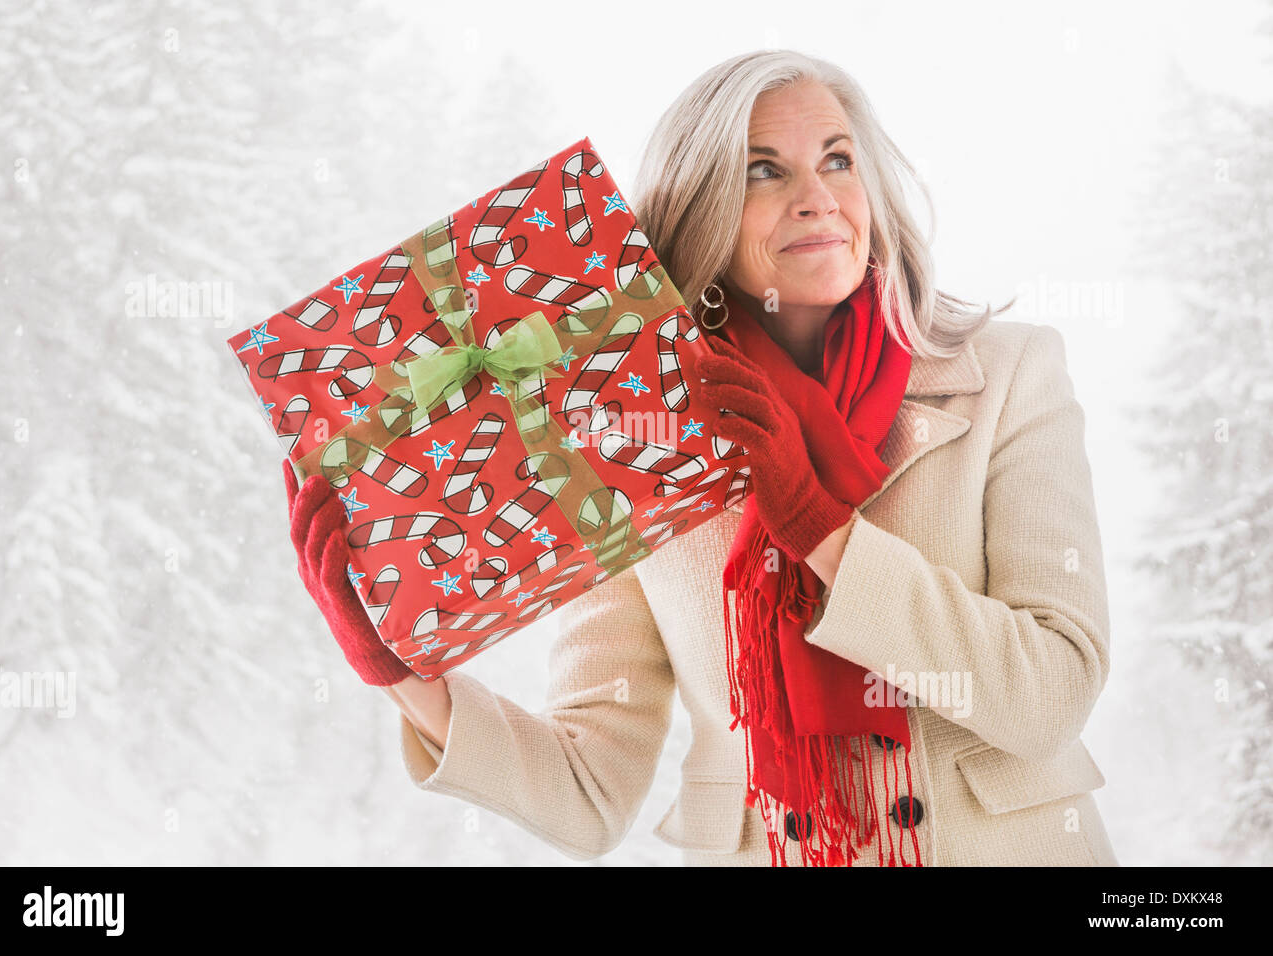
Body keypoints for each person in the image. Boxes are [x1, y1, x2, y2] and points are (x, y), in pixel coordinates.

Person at [284, 49, 1117, 866]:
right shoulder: (630, 439)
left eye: (837, 160)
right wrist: (399, 675)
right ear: (699, 210)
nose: (818, 198)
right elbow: (590, 795)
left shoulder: (1008, 375)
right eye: (765, 171)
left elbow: (1050, 697)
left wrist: (822, 532)